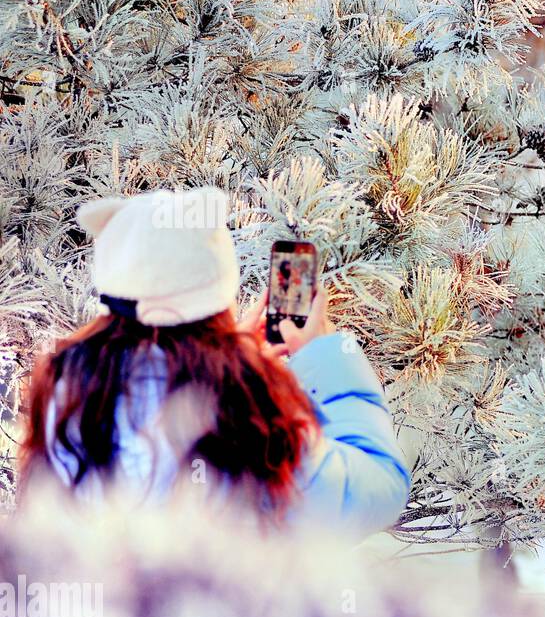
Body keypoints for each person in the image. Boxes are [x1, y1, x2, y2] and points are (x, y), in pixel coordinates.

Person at [18, 186, 410, 543]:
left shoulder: (66, 396)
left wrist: (228, 358)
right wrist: (322, 356)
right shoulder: (247, 409)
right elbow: (377, 489)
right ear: (221, 296)